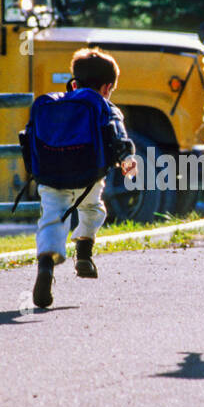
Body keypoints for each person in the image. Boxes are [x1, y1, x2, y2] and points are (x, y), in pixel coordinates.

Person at [27, 47, 137, 309]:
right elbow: (118, 135)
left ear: (74, 84)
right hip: (88, 177)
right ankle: (84, 253)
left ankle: (46, 264)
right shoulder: (104, 105)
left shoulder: (53, 105)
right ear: (107, 88)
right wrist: (127, 159)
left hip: (52, 176)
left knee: (52, 219)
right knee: (94, 210)